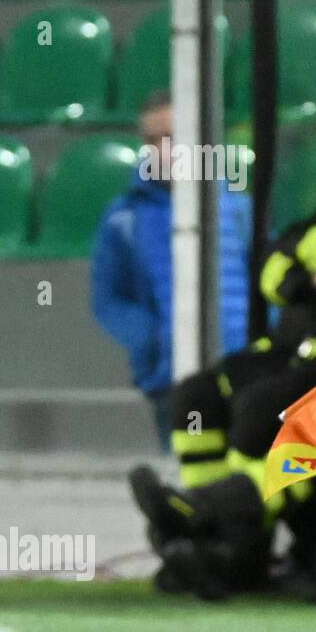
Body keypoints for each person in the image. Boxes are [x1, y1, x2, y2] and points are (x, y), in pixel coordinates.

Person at [130, 75, 316, 598]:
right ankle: (216, 551)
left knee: (262, 411)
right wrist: (315, 258)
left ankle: (214, 529)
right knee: (195, 398)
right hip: (308, 353)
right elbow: (275, 264)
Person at [91, 90, 251, 450]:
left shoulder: (240, 211)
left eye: (174, 137)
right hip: (172, 382)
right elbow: (108, 301)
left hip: (244, 376)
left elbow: (269, 283)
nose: (164, 150)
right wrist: (154, 339)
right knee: (188, 478)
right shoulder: (124, 219)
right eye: (152, 140)